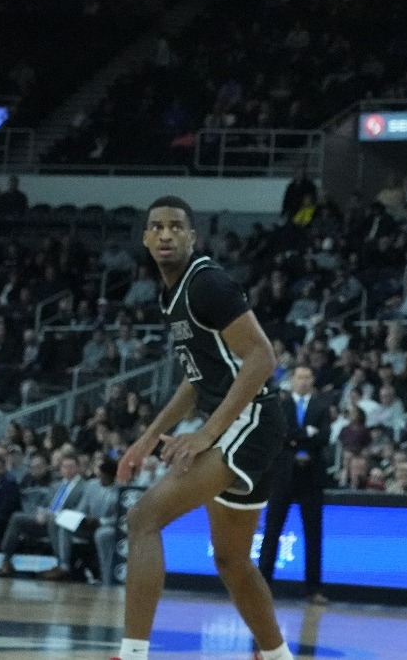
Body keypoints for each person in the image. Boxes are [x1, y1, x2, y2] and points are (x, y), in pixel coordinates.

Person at [110, 196, 291, 660]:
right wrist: (147, 439)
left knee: (143, 517)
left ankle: (132, 655)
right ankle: (278, 657)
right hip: (246, 423)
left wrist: (206, 433)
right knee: (231, 561)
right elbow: (199, 378)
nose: (166, 234)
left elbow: (262, 358)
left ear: (192, 237)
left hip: (251, 419)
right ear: (147, 239)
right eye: (157, 227)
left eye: (176, 227)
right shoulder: (170, 293)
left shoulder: (206, 283)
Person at [258, 365, 333, 605]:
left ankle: (314, 588)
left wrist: (297, 437)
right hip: (282, 477)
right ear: (292, 380)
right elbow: (280, 434)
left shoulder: (322, 406)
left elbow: (323, 438)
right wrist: (305, 434)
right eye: (300, 377)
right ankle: (262, 585)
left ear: (313, 380)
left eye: (308, 376)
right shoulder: (282, 404)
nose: (304, 380)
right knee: (272, 532)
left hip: (311, 479)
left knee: (313, 535)